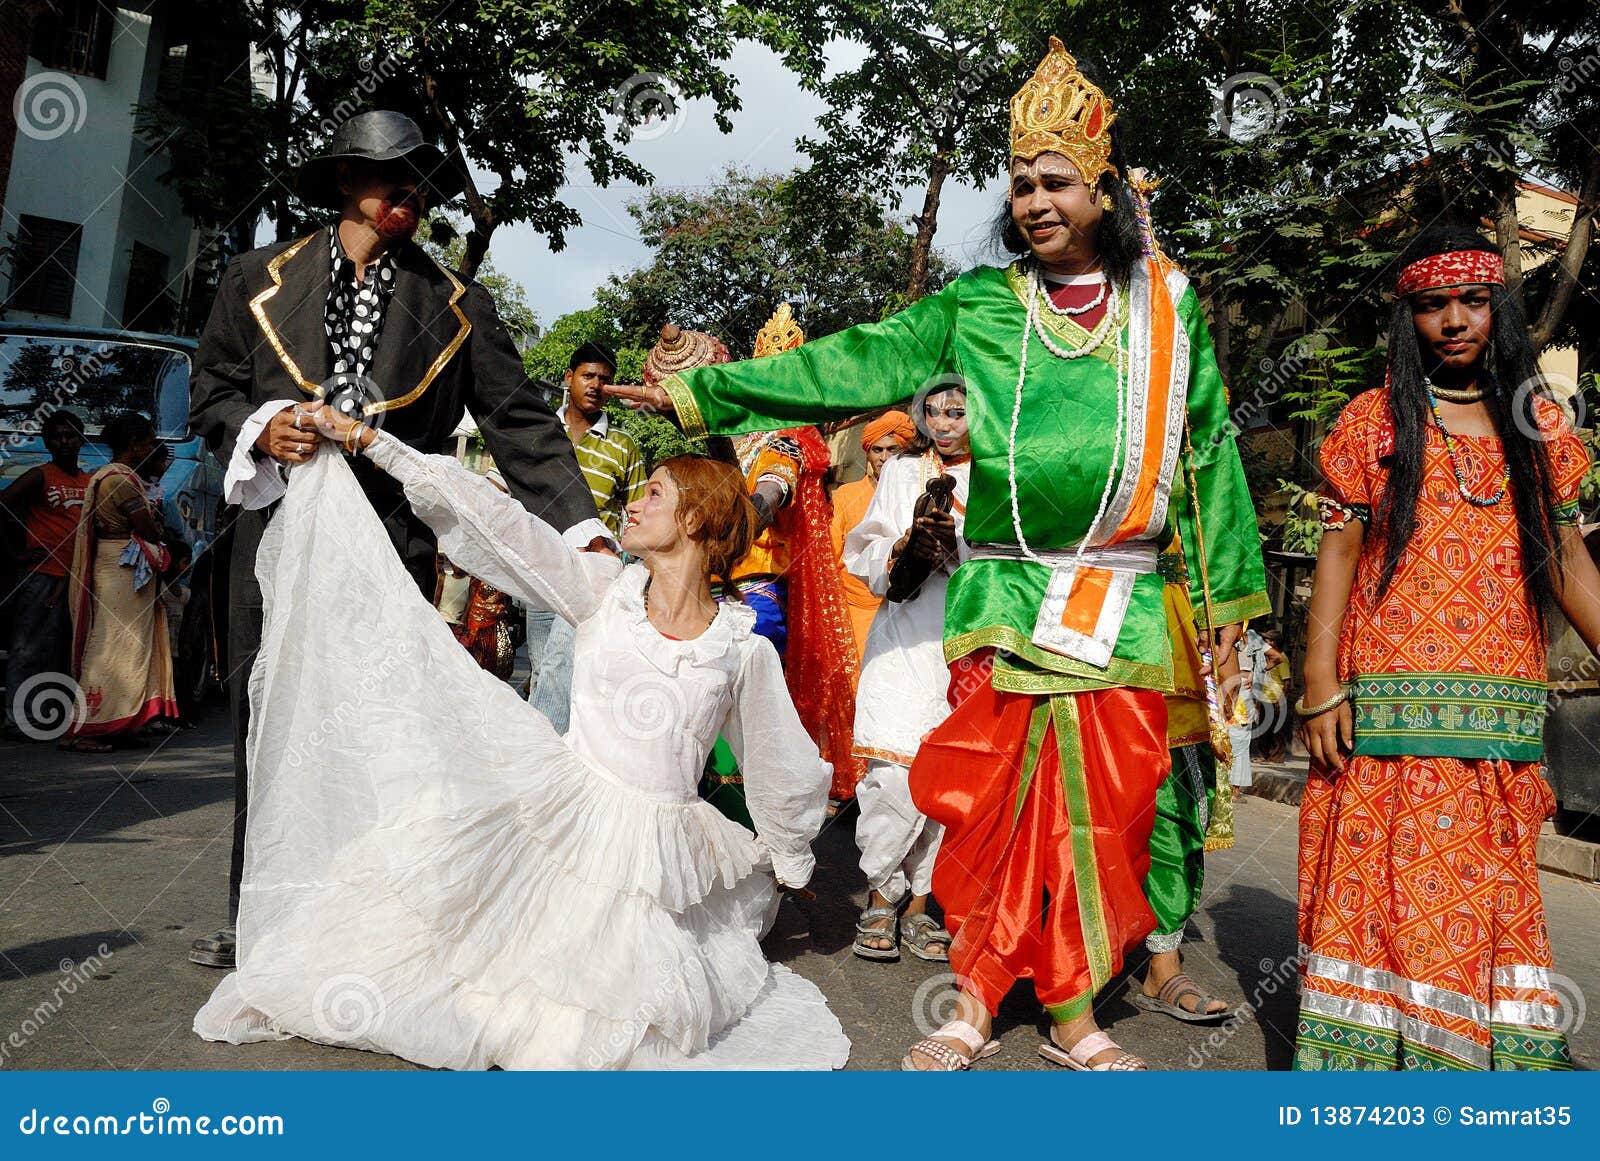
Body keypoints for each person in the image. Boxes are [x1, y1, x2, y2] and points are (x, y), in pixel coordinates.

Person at [609, 39, 1268, 1071]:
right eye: (1019, 183)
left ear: (1101, 187)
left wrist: (1233, 602)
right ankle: (969, 999)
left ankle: (1072, 1013)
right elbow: (858, 360)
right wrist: (711, 391)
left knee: (1105, 818)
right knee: (991, 808)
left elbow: (1210, 450)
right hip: (1005, 594)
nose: (1036, 200)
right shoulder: (981, 304)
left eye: (1056, 181)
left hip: (1126, 602)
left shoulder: (1167, 310)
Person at [193, 404, 849, 1071]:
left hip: (658, 852)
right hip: (565, 815)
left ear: (696, 519)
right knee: (485, 978)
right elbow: (498, 525)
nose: (635, 502)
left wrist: (791, 857)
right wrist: (371, 441)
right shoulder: (604, 591)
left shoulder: (738, 646)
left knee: (629, 1013)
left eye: (655, 493)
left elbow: (776, 758)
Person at [186, 110, 604, 970]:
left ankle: (371, 914)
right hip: (275, 534)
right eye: (390, 179)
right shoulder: (254, 277)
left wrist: (586, 534)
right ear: (346, 182)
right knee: (268, 719)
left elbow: (521, 423)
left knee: (382, 723)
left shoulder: (457, 305)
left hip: (394, 540)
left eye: (419, 183)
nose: (407, 196)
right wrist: (262, 429)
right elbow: (213, 391)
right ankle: (259, 911)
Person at [1296, 225, 1600, 1071]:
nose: (1456, 320)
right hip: (1386, 707)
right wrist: (1321, 681)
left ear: (1498, 307)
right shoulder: (1372, 422)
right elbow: (1340, 557)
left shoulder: (1540, 425)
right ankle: (1369, 1082)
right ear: (1410, 318)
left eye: (1473, 301)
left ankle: (1467, 1076)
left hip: (1495, 713)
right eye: (1433, 306)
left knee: (1484, 893)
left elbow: (1568, 562)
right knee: (1377, 890)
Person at [845, 387, 970, 963]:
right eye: (935, 411)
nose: (943, 423)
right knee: (892, 774)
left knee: (948, 779)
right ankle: (879, 897)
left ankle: (921, 904)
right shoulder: (899, 472)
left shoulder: (1003, 477)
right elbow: (862, 550)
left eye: (959, 411)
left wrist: (955, 550)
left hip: (966, 645)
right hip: (900, 635)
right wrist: (903, 546)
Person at [525, 341, 647, 731]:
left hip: (591, 573)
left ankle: (538, 759)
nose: (596, 385)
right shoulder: (541, 431)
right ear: (569, 379)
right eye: (588, 376)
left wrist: (633, 573)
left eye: (605, 380)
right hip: (540, 567)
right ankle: (558, 754)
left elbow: (638, 511)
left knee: (561, 663)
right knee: (545, 669)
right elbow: (509, 488)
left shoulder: (622, 445)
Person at [60, 412, 178, 753]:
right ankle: (87, 728)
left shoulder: (112, 475)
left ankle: (121, 719)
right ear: (135, 445)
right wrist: (155, 526)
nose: (153, 449)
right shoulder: (120, 479)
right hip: (120, 567)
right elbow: (148, 528)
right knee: (110, 645)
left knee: (128, 645)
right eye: (149, 442)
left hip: (121, 566)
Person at [1, 410, 89, 739]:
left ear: (81, 439)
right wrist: (14, 554)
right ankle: (16, 718)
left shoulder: (87, 480)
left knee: (62, 648)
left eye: (70, 435)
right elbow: (3, 504)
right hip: (41, 574)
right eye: (56, 436)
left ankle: (53, 715)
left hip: (75, 578)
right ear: (46, 442)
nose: (64, 442)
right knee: (27, 647)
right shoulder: (40, 475)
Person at [830, 410, 917, 663]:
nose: (884, 458)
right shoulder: (846, 495)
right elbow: (831, 558)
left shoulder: (916, 491)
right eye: (877, 450)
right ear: (867, 453)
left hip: (908, 608)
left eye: (892, 450)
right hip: (856, 610)